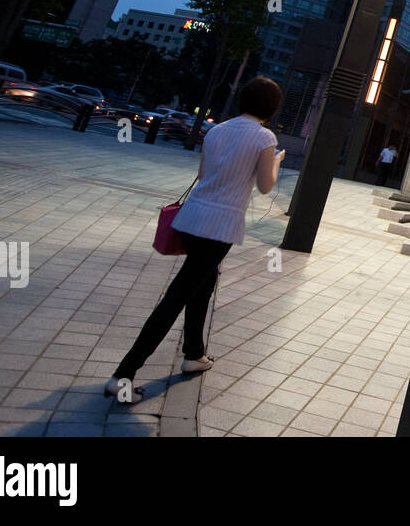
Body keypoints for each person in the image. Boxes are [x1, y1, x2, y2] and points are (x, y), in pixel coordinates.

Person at [106, 77, 285, 403]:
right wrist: (274, 162)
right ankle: (123, 375)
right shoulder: (264, 137)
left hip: (192, 218)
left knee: (202, 284)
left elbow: (204, 174)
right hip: (219, 226)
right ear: (271, 107)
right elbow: (265, 186)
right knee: (177, 296)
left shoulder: (217, 130)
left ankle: (194, 354)